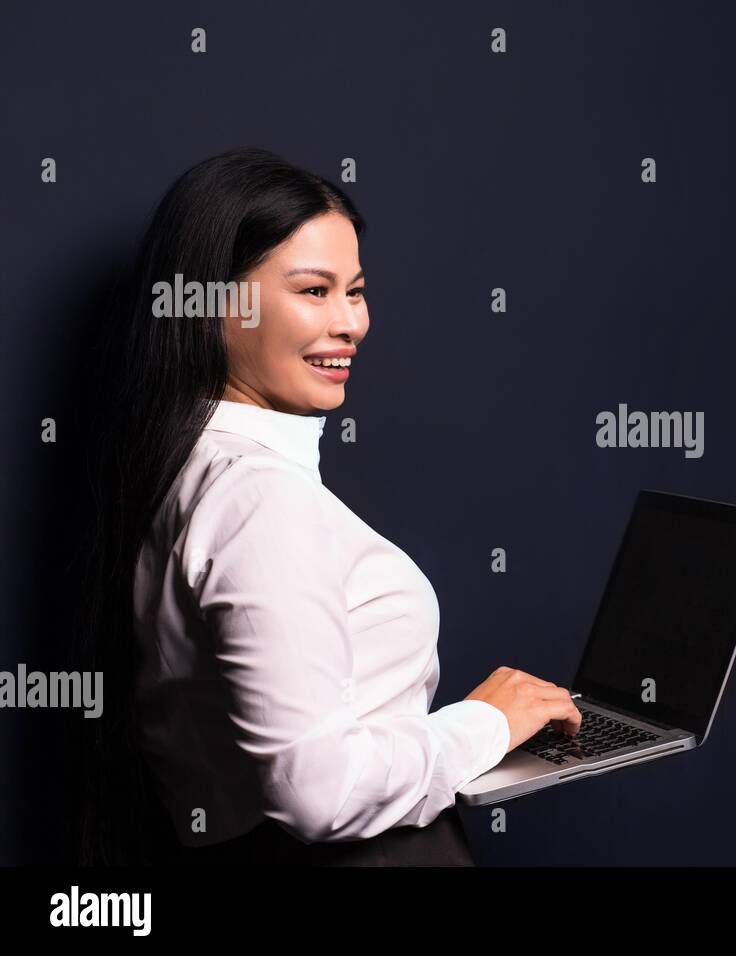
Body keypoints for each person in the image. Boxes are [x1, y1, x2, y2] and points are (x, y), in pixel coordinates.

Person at [75, 148, 581, 866]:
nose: (352, 323)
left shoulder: (183, 465)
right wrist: (484, 725)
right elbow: (319, 793)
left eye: (357, 290)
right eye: (314, 291)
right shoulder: (258, 501)